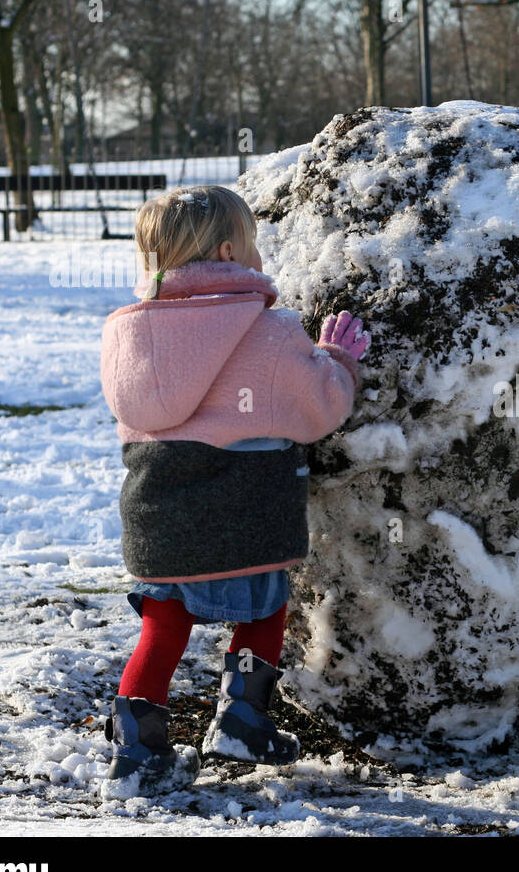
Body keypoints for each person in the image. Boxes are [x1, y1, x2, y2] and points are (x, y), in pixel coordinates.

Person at [97, 184, 370, 798]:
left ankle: (137, 754)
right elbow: (317, 407)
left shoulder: (126, 335)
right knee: (263, 609)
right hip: (244, 512)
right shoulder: (266, 331)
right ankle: (243, 721)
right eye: (251, 242)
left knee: (162, 628)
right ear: (227, 248)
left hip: (157, 515)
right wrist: (337, 361)